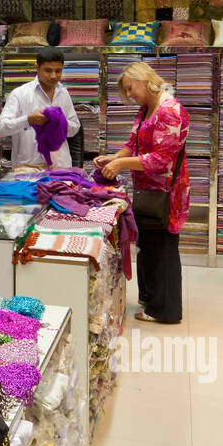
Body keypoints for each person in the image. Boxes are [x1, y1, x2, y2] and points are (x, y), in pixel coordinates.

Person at [94, 61, 190, 324]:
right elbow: (132, 144)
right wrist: (112, 158)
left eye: (130, 88)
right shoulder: (148, 108)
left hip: (166, 193)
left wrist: (121, 164)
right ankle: (151, 299)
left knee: (163, 249)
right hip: (149, 190)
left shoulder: (169, 111)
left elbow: (161, 159)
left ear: (144, 80)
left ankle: (166, 310)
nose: (129, 95)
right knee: (148, 246)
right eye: (125, 91)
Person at [0, 49, 81, 168]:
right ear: (37, 67)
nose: (53, 76)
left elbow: (75, 128)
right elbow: (0, 129)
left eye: (58, 71)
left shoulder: (63, 93)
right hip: (28, 167)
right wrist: (29, 120)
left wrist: (59, 121)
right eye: (48, 70)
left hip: (61, 166)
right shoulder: (20, 94)